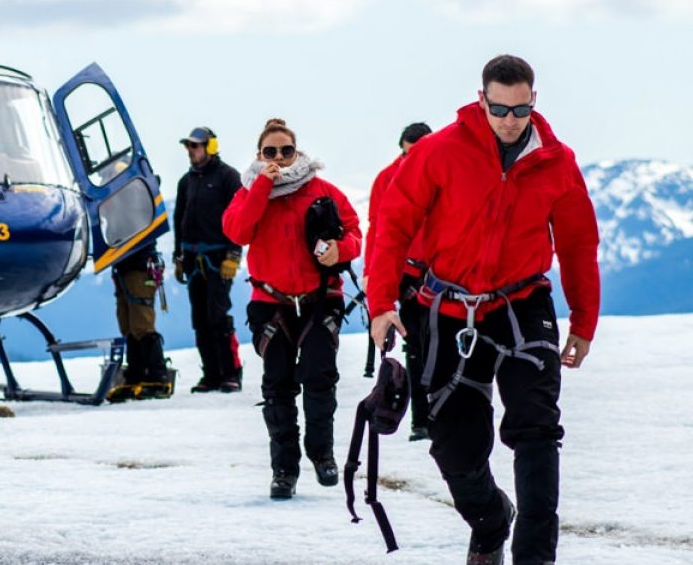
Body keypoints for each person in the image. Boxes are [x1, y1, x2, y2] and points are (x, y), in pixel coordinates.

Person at [367, 55, 599, 565]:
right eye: (499, 108)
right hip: (449, 309)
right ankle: (491, 520)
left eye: (519, 109)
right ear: (482, 100)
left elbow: (579, 243)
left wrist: (584, 320)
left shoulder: (556, 160)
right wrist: (381, 302)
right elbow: (393, 226)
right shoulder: (437, 152)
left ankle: (535, 557)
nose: (510, 119)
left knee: (537, 430)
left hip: (522, 304)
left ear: (533, 101)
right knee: (453, 444)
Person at [222, 118, 361, 499]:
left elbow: (354, 233)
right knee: (278, 387)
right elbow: (237, 231)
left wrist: (341, 250)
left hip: (321, 297)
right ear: (259, 155)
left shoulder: (322, 189)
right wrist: (263, 184)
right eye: (271, 152)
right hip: (272, 303)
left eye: (286, 151)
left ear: (297, 152)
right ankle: (284, 470)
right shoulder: (249, 191)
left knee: (319, 379)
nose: (280, 158)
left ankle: (322, 455)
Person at [363, 121, 433, 442]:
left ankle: (436, 415)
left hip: (440, 271)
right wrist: (372, 272)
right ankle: (422, 418)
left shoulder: (442, 174)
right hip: (409, 273)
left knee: (440, 343)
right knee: (416, 344)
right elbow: (377, 230)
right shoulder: (386, 179)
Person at [172, 126, 244, 393]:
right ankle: (211, 374)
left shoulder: (228, 177)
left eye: (195, 146)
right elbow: (179, 220)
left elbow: (240, 217)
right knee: (200, 320)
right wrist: (178, 256)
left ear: (210, 147)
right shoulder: (186, 181)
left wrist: (234, 255)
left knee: (217, 316)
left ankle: (231, 373)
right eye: (189, 146)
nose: (191, 151)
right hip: (192, 260)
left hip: (219, 258)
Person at [106, 241, 172, 401]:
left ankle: (157, 378)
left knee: (142, 325)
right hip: (124, 266)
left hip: (140, 266)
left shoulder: (135, 216)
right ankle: (136, 376)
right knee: (128, 326)